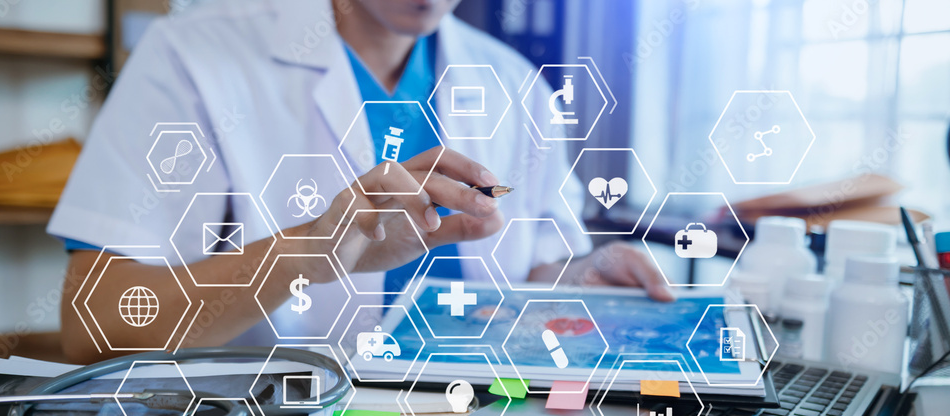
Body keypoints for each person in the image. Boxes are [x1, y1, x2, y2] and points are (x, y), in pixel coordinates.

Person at [49, 0, 672, 363]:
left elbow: (526, 272)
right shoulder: (193, 55)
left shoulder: (514, 82)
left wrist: (580, 279)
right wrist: (304, 255)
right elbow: (93, 322)